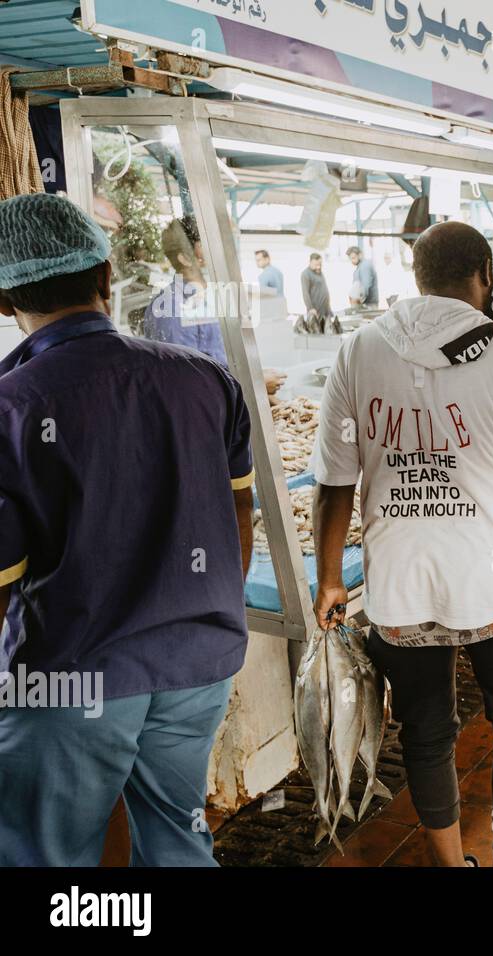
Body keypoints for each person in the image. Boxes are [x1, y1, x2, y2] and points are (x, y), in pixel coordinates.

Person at [311, 221, 493, 867]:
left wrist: (331, 580)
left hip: (399, 586)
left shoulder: (358, 350)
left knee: (425, 730)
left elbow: (333, 484)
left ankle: (450, 865)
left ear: (418, 278)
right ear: (482, 277)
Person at [0, 192, 254, 866]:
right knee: (176, 833)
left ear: (2, 301)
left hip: (72, 678)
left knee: (45, 854)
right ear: (108, 276)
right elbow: (238, 516)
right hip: (199, 664)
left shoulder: (12, 407)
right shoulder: (206, 379)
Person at [141, 215, 227, 366]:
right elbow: (185, 377)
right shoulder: (171, 309)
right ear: (185, 258)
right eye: (206, 246)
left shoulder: (213, 296)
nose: (218, 251)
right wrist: (242, 382)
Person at [301, 252, 332, 325]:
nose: (318, 267)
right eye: (316, 265)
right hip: (315, 310)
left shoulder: (319, 272)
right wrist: (310, 308)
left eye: (320, 264)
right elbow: (305, 293)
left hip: (325, 309)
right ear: (310, 262)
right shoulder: (305, 274)